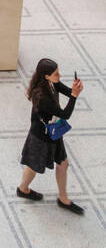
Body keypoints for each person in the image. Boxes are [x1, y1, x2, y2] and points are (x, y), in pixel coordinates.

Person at [18, 58, 84, 214]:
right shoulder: (41, 96)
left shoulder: (50, 83)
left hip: (53, 132)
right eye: (56, 74)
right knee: (33, 166)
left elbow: (66, 90)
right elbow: (64, 114)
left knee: (63, 164)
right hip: (41, 136)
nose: (59, 76)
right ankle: (22, 189)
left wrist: (75, 90)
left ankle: (63, 198)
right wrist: (74, 96)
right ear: (46, 76)